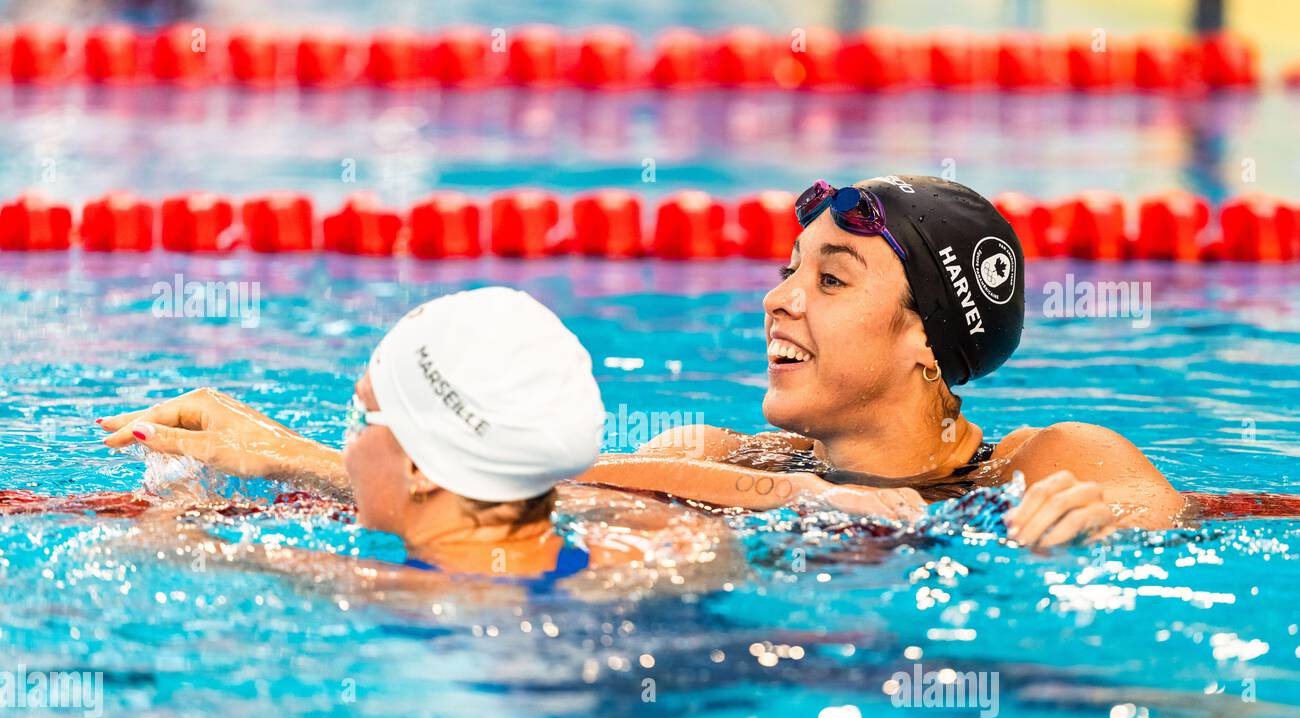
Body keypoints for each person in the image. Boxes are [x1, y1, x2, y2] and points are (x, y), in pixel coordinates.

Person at [577, 175, 1189, 549]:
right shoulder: (718, 457)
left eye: (832, 280)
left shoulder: (1046, 464)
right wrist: (791, 493)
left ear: (926, 340)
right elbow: (543, 484)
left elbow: (1159, 523)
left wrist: (1099, 526)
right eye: (790, 271)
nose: (777, 299)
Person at [95, 287, 746, 597]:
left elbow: (169, 548)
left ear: (420, 468)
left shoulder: (412, 596)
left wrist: (174, 512)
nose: (345, 447)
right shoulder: (674, 551)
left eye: (360, 416)